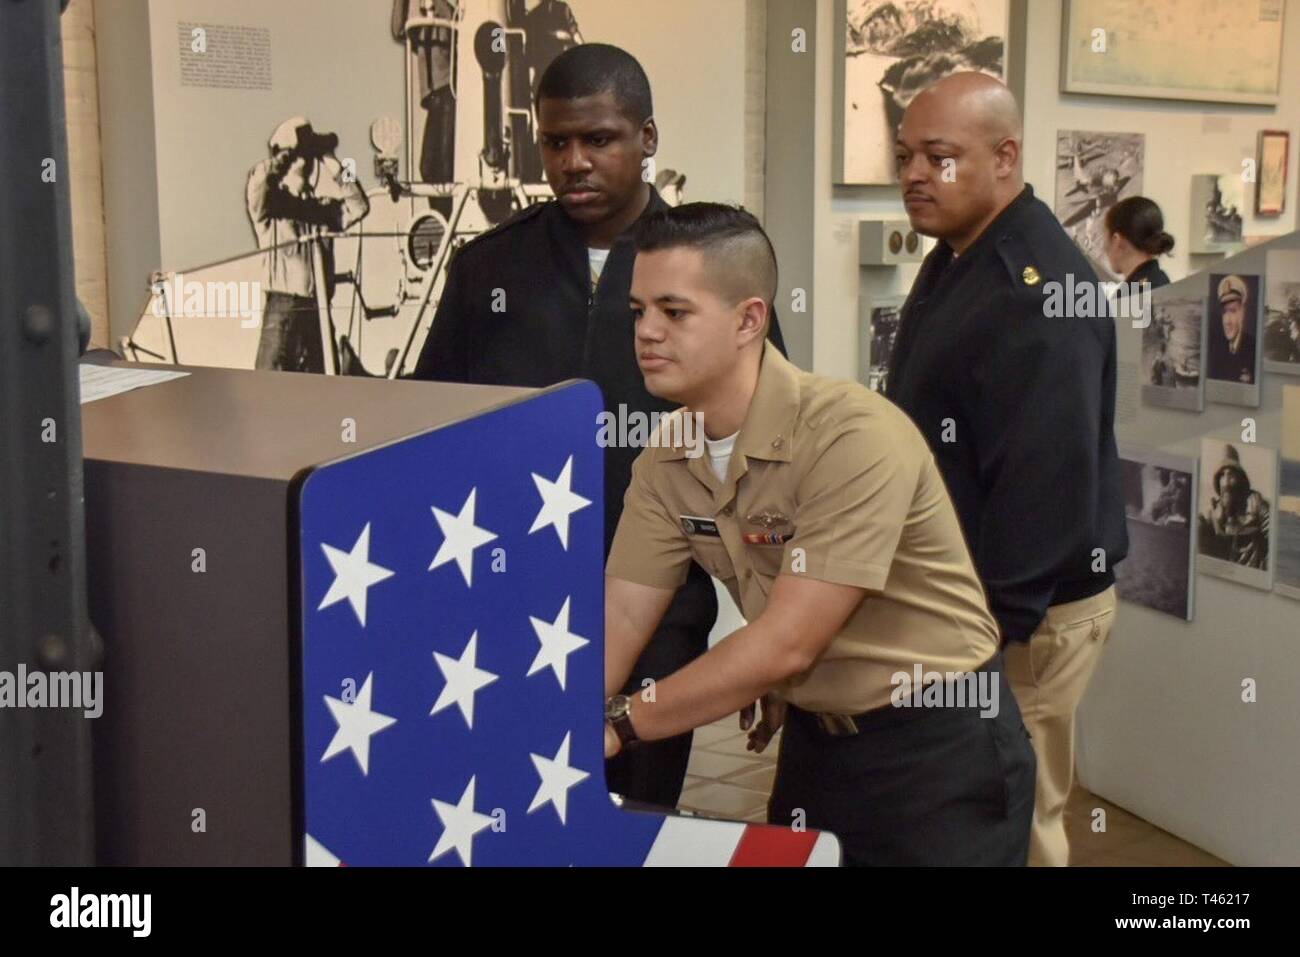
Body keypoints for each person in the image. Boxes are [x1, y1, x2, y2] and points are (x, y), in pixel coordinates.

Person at [411, 44, 786, 809]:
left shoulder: (712, 266)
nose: (575, 161)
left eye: (600, 139)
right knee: (509, 814)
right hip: (506, 603)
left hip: (663, 612)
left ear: (647, 138)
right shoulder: (490, 269)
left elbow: (770, 456)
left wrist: (770, 637)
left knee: (634, 823)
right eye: (556, 142)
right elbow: (428, 432)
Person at [602, 203, 1035, 866]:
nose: (647, 333)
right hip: (816, 746)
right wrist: (554, 715)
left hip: (938, 747)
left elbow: (787, 643)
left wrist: (622, 722)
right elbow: (620, 616)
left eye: (674, 310)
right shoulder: (667, 458)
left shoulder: (850, 436)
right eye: (638, 311)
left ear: (749, 318)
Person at [885, 73, 1128, 867]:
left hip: (1023, 615)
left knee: (1013, 819)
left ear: (1006, 157)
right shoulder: (959, 255)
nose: (916, 173)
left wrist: (984, 635)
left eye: (940, 156)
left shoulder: (1037, 290)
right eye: (907, 155)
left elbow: (1046, 492)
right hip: (966, 602)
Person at [246, 117, 369, 373]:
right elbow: (257, 183)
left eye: (309, 157)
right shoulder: (271, 208)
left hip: (318, 311)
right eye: (301, 157)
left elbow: (359, 205)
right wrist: (285, 154)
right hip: (283, 314)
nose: (305, 163)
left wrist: (333, 161)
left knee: (324, 389)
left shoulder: (322, 210)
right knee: (272, 390)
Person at [1199, 445, 1270, 568]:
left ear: (1240, 479)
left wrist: (1261, 554)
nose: (1226, 482)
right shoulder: (1211, 511)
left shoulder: (1256, 504)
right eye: (1222, 475)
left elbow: (1273, 539)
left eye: (1231, 475)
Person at [1103, 195, 1173, 314]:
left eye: (1104, 236)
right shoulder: (1161, 280)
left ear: (1116, 240)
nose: (1104, 246)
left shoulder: (1129, 296)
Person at [1206, 275, 1257, 384]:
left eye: (1233, 311)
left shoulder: (1253, 349)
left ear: (1242, 313)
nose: (1227, 321)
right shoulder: (1215, 348)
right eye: (1224, 312)